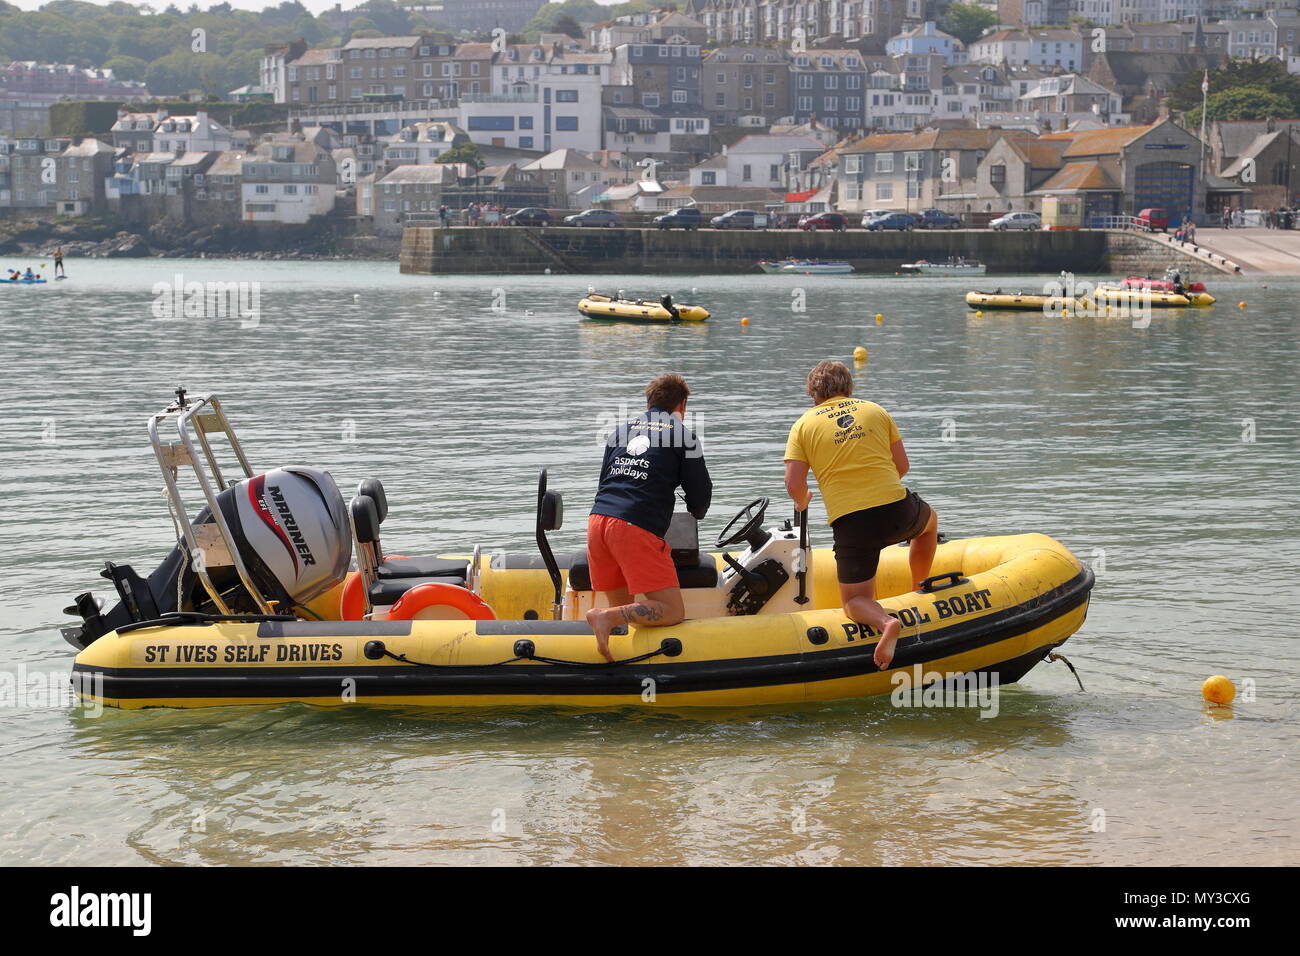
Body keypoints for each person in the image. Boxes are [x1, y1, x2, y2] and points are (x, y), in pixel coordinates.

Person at [784, 361, 938, 670]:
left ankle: (885, 623)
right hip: (896, 509)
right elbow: (902, 466)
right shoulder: (875, 411)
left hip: (853, 523)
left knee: (854, 601)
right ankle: (920, 587)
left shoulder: (803, 425)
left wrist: (803, 500)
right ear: (848, 387)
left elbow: (793, 484)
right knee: (929, 523)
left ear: (813, 393)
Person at [585, 373, 712, 662]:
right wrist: (696, 511)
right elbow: (701, 495)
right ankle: (603, 618)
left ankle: (614, 651)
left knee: (627, 619)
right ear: (681, 405)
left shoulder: (619, 431)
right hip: (634, 527)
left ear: (649, 401)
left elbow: (607, 480)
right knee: (671, 612)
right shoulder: (683, 436)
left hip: (598, 522)